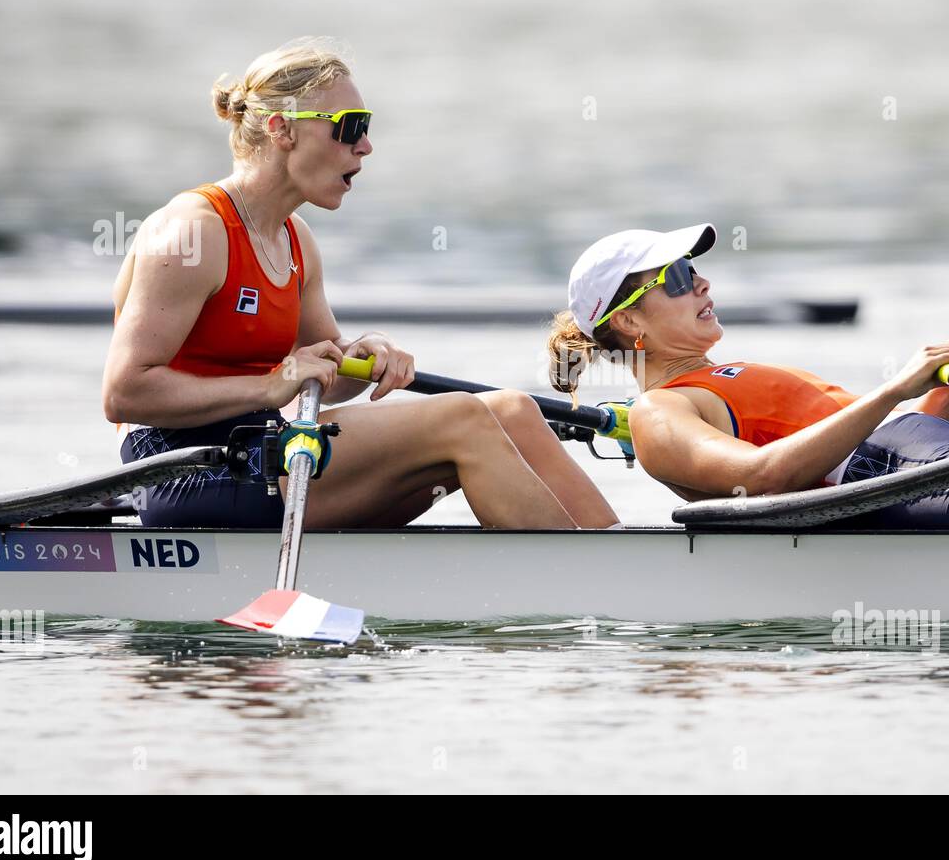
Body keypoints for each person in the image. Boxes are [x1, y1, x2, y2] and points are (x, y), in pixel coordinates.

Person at [104, 38, 617, 530]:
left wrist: (362, 357)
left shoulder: (295, 240)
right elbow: (124, 393)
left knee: (512, 409)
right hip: (181, 469)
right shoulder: (192, 231)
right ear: (283, 129)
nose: (366, 146)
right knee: (463, 417)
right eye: (350, 127)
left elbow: (324, 376)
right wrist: (268, 385)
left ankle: (616, 558)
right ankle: (587, 586)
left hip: (266, 450)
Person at [546, 224, 949, 530]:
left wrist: (945, 380)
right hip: (910, 481)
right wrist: (898, 386)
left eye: (696, 269)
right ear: (631, 325)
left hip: (918, 464)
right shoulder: (661, 415)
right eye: (680, 277)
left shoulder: (720, 376)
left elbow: (881, 446)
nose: (704, 282)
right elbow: (770, 478)